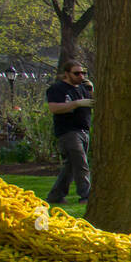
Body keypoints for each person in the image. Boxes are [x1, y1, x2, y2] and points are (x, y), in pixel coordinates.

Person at [44, 59, 95, 204]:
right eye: (77, 73)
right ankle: (86, 195)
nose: (81, 76)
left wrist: (91, 91)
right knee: (81, 163)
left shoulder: (83, 88)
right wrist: (76, 104)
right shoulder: (57, 89)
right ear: (67, 74)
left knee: (70, 167)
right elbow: (53, 108)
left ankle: (55, 195)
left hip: (84, 130)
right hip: (68, 131)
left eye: (83, 73)